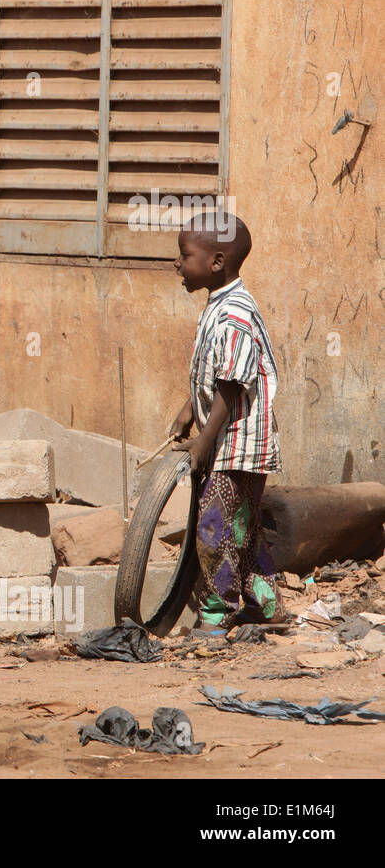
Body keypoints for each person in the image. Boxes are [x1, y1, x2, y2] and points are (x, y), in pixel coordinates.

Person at [169, 207, 286, 630]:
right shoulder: (219, 305)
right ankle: (266, 606)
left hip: (237, 444)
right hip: (235, 441)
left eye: (184, 254)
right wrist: (187, 410)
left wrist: (203, 441)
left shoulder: (234, 314)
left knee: (214, 525)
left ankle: (216, 614)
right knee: (245, 526)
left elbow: (232, 386)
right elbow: (216, 372)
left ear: (216, 262)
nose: (177, 263)